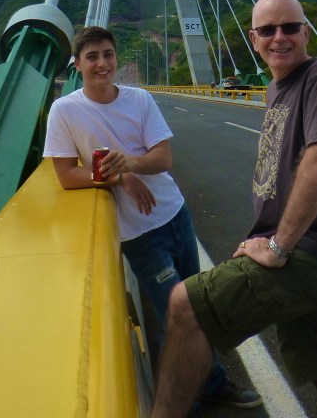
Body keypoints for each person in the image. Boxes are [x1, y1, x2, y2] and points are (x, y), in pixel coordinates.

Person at [152, 0, 317, 418]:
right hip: (308, 254)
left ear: (306, 32)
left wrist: (277, 247)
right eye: (268, 30)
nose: (280, 37)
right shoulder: (276, 88)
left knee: (185, 304)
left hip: (311, 254)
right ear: (253, 39)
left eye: (290, 27)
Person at [43, 26, 261, 411]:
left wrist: (130, 163)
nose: (102, 63)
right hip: (137, 234)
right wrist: (121, 176)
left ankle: (208, 384)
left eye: (108, 54)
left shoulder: (139, 99)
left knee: (197, 306)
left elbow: (163, 159)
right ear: (77, 65)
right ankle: (190, 398)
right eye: (92, 56)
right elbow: (65, 175)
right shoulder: (66, 110)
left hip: (175, 214)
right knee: (179, 313)